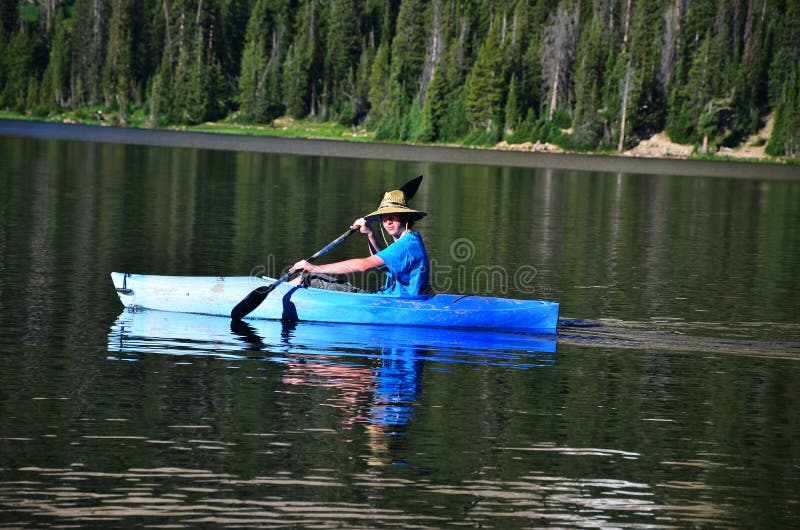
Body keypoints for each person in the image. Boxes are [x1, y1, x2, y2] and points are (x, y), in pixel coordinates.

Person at [289, 188, 430, 296]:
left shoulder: (405, 246)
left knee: (307, 278)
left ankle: (277, 297)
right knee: (308, 276)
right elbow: (383, 266)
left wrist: (315, 268)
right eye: (384, 217)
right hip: (386, 299)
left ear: (406, 217)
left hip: (387, 303)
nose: (388, 221)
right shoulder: (411, 241)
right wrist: (370, 234)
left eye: (393, 216)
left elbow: (363, 265)